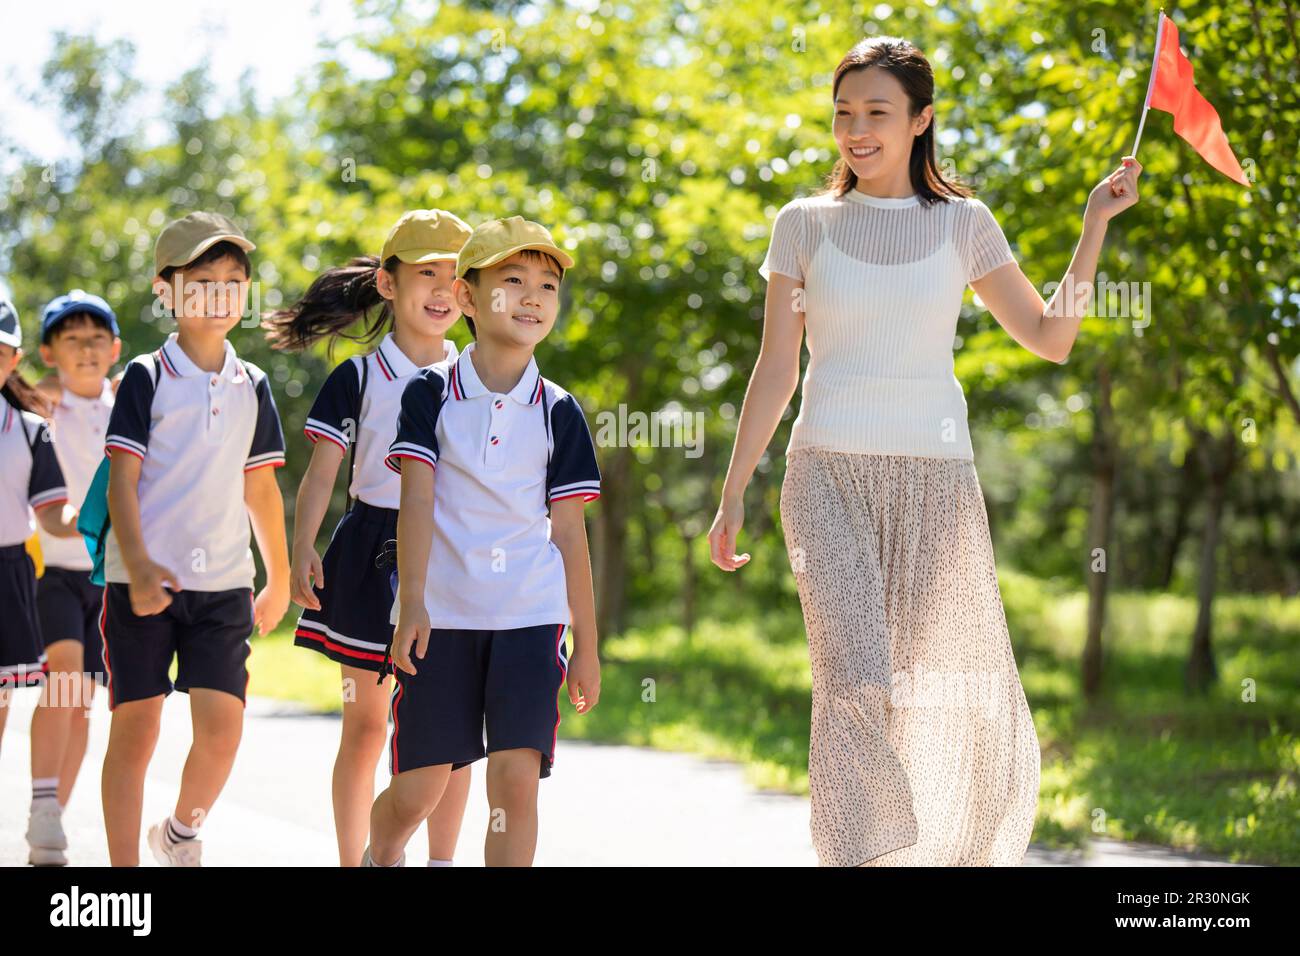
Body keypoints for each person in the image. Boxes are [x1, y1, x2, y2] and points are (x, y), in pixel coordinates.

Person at [708, 36, 1141, 866]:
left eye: (876, 112)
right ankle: (859, 854)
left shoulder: (963, 224)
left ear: (921, 120)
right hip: (824, 476)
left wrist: (1094, 227)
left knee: (930, 691)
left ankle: (926, 851)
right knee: (857, 678)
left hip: (936, 486)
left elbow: (1050, 339)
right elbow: (776, 368)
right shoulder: (803, 225)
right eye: (843, 113)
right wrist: (733, 493)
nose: (856, 130)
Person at [365, 217, 602, 867]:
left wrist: (586, 643)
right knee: (417, 791)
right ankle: (377, 852)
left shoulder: (559, 410)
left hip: (529, 618)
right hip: (441, 618)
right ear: (468, 298)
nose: (533, 297)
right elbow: (413, 501)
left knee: (514, 783)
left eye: (548, 285)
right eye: (513, 280)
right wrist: (411, 602)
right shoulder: (429, 393)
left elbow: (570, 535)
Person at [263, 209, 476, 866]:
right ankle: (354, 860)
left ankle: (440, 859)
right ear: (388, 283)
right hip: (370, 554)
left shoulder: (478, 374)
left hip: (452, 557)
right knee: (363, 727)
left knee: (454, 731)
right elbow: (321, 475)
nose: (442, 289)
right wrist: (302, 548)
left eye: (456, 275)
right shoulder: (356, 377)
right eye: (426, 273)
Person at [100, 211, 291, 866]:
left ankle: (180, 832)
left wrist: (280, 578)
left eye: (233, 281)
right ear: (167, 290)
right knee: (137, 729)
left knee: (221, 731)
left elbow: (260, 490)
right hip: (142, 585)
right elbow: (122, 483)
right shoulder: (145, 378)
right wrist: (144, 567)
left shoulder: (254, 385)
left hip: (224, 588)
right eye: (203, 280)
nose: (220, 293)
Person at [26, 291, 121, 865]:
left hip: (107, 579)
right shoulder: (45, 404)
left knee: (81, 703)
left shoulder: (128, 407)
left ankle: (51, 820)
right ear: (49, 352)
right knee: (61, 677)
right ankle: (41, 801)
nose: (84, 349)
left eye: (95, 339)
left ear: (113, 349)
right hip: (52, 571)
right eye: (70, 339)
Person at [0, 298, 79, 778]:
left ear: (13, 360)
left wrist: (110, 522)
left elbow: (52, 515)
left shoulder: (31, 431)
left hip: (7, 573)